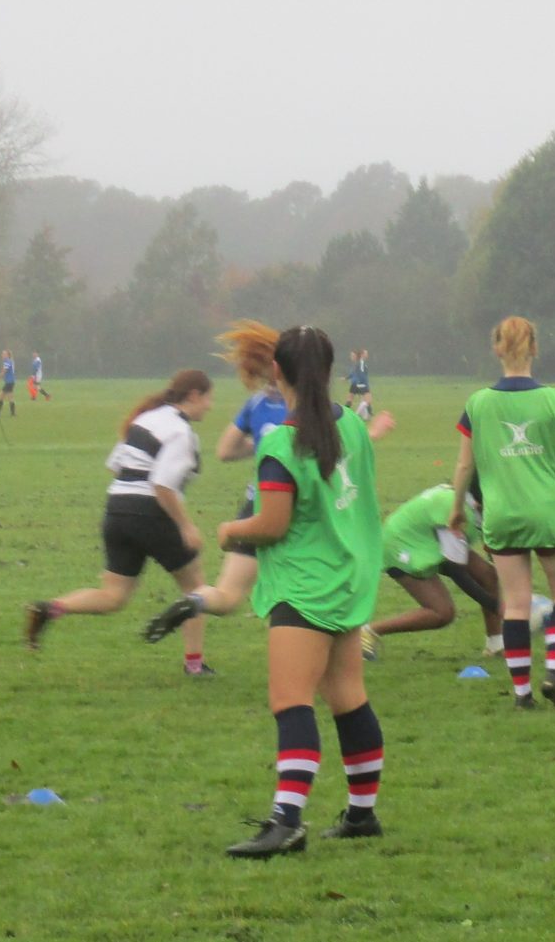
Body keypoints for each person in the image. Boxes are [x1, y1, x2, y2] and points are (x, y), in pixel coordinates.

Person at [214, 325, 386, 858]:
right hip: (349, 577)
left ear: (278, 373)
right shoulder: (354, 428)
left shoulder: (281, 442)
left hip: (304, 587)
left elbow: (271, 523)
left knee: (291, 702)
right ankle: (361, 815)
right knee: (347, 696)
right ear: (331, 372)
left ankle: (286, 822)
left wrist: (229, 531)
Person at [142, 321, 395, 652]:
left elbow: (224, 450)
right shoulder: (326, 415)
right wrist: (373, 433)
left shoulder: (257, 406)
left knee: (228, 595)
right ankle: (345, 634)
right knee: (327, 567)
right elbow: (338, 451)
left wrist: (261, 444)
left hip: (258, 502)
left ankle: (197, 600)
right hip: (306, 507)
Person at [23, 371, 218, 674]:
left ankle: (53, 608)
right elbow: (163, 485)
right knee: (196, 589)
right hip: (150, 511)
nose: (210, 405)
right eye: (208, 398)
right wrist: (185, 526)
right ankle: (194, 666)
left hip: (116, 510)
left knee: (113, 596)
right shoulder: (181, 432)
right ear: (193, 395)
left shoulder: (145, 419)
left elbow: (116, 465)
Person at [457, 315, 555, 710]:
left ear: (497, 348)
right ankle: (554, 671)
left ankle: (522, 695)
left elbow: (464, 468)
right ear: (534, 348)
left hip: (503, 516)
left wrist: (456, 510)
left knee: (516, 604)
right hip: (550, 512)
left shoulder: (478, 404)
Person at [362, 481, 500, 659]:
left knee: (488, 575)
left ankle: (496, 645)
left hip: (429, 539)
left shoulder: (468, 503)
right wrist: (498, 607)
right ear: (479, 504)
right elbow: (457, 570)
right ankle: (368, 632)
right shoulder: (455, 510)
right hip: (402, 546)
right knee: (441, 612)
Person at [346, 349, 373, 420]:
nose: (367, 355)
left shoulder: (359, 363)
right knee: (367, 401)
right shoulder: (361, 363)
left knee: (361, 400)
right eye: (366, 353)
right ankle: (357, 415)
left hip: (358, 383)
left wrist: (347, 378)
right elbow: (361, 374)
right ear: (362, 355)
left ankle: (366, 416)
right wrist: (362, 383)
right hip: (361, 384)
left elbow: (354, 373)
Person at [0, 350, 18, 417]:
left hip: (9, 382)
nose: (2, 355)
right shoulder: (10, 361)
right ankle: (13, 413)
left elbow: (4, 371)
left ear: (7, 355)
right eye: (2, 354)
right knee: (10, 398)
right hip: (11, 382)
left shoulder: (7, 361)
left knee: (1, 396)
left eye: (4, 354)